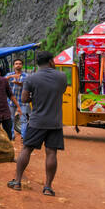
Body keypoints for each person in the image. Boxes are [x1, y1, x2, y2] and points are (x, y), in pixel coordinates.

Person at [8, 52, 69, 196]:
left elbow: (24, 99)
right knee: (51, 153)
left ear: (38, 63)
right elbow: (62, 91)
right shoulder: (61, 77)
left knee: (27, 149)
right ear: (51, 62)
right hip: (55, 122)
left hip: (36, 121)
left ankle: (17, 182)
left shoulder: (31, 78)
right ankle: (47, 187)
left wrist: (34, 96)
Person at [5, 57, 28, 141]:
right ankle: (11, 136)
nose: (18, 65)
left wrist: (19, 84)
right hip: (11, 101)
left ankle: (24, 137)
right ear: (13, 65)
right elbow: (2, 82)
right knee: (10, 118)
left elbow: (28, 87)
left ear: (22, 65)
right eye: (16, 64)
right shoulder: (9, 75)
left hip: (22, 101)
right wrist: (10, 76)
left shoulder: (26, 76)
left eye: (20, 64)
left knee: (23, 119)